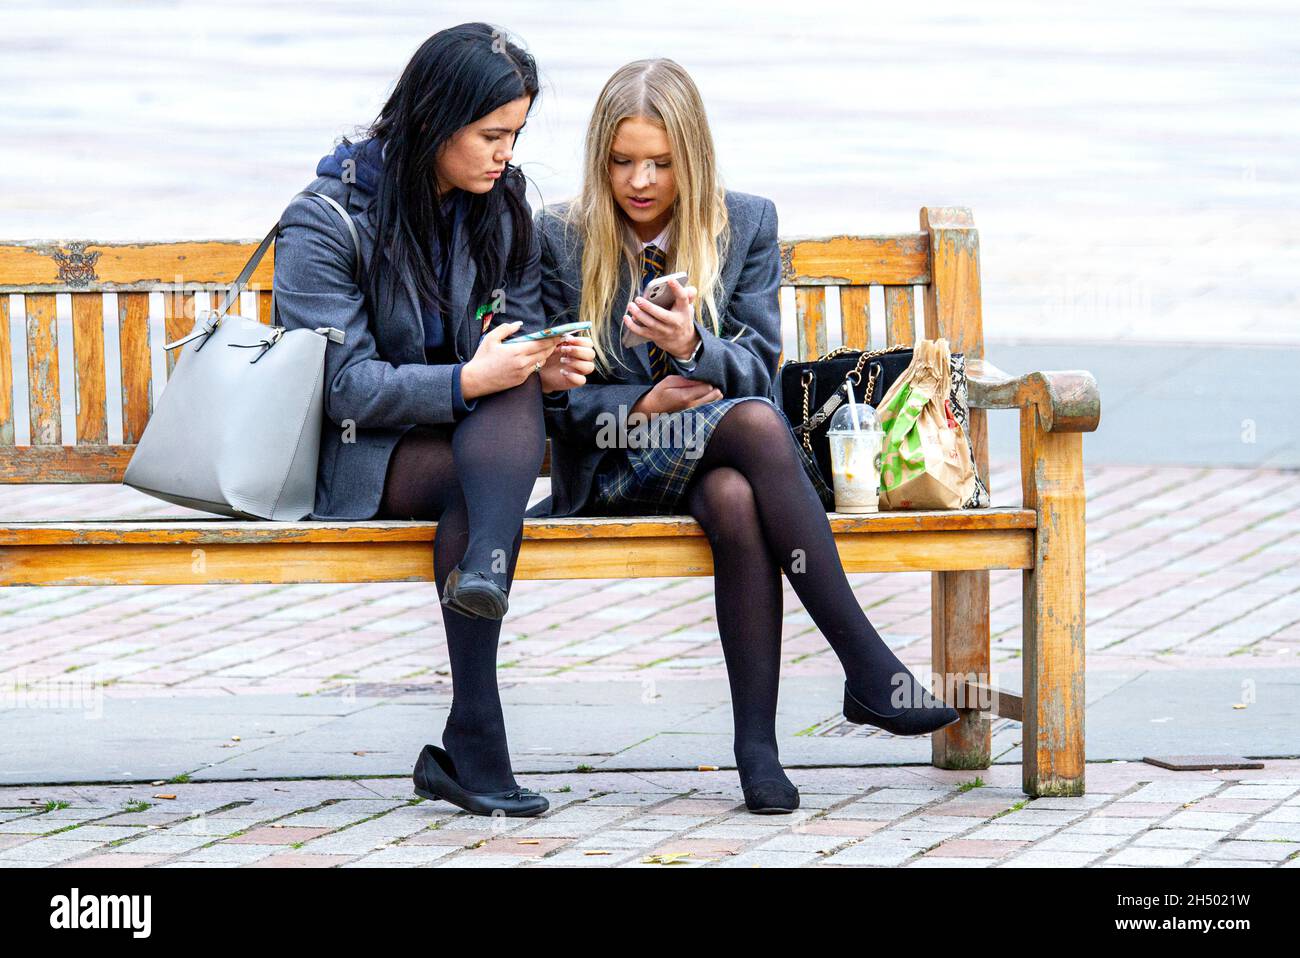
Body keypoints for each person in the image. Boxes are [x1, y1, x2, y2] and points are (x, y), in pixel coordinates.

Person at [529, 58, 959, 815]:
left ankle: (757, 753)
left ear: (691, 157)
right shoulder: (561, 238)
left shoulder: (747, 223)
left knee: (734, 494)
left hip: (723, 458)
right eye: (623, 162)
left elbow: (760, 371)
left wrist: (696, 347)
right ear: (602, 159)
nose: (640, 181)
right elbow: (558, 408)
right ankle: (867, 667)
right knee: (755, 428)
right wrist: (648, 399)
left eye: (661, 163)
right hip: (611, 465)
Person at [273, 23, 596, 818]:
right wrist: (466, 379)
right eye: (490, 135)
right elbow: (342, 388)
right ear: (431, 121)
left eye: (514, 136)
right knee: (486, 453)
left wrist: (542, 366)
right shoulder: (325, 219)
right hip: (359, 455)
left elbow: (510, 336)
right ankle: (477, 732)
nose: (504, 155)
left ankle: (474, 737)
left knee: (513, 386)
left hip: (474, 446)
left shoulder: (499, 203)